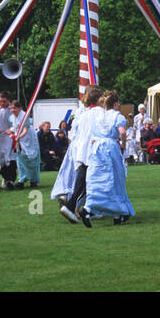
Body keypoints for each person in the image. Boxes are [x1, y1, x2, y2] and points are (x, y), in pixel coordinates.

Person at [80, 89, 134, 226]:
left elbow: (93, 135)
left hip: (97, 149)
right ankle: (117, 213)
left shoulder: (98, 117)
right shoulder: (117, 116)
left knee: (98, 179)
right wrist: (123, 144)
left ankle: (91, 208)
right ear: (115, 104)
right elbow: (122, 132)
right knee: (115, 178)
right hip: (110, 147)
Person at [56, 87, 103, 223]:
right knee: (91, 183)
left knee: (81, 182)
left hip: (81, 152)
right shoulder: (100, 113)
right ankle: (82, 208)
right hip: (93, 152)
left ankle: (71, 206)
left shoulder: (83, 115)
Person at [0, 92, 17, 189]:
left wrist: (12, 130)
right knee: (1, 160)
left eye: (4, 101)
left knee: (10, 159)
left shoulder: (12, 110)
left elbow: (18, 122)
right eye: (0, 101)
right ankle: (5, 178)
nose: (2, 103)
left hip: (10, 138)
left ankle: (11, 180)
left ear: (8, 101)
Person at [11, 102, 41, 188]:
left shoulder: (24, 116)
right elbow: (15, 127)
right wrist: (11, 131)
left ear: (19, 108)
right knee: (20, 160)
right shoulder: (13, 117)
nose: (13, 110)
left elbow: (25, 129)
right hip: (21, 141)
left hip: (28, 139)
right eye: (11, 108)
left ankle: (33, 180)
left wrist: (19, 137)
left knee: (32, 160)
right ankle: (22, 180)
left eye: (14, 108)